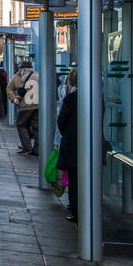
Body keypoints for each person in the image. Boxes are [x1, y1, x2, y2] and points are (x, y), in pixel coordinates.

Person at [56, 69, 78, 221]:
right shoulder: (97, 96)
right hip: (91, 146)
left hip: (73, 145)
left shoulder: (71, 98)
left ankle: (76, 210)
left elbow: (61, 121)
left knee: (75, 179)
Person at [7, 59, 39, 155]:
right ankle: (37, 149)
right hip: (37, 105)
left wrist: (15, 99)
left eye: (21, 69)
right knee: (36, 127)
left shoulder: (23, 77)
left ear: (24, 69)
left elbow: (20, 91)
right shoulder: (38, 76)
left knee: (21, 124)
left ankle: (27, 147)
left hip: (26, 105)